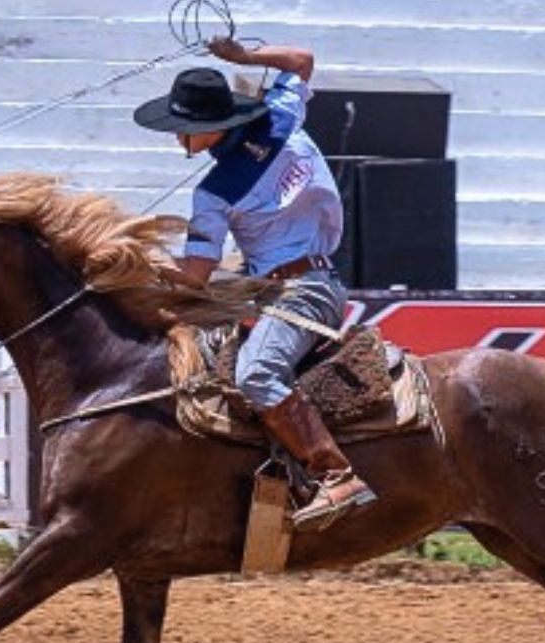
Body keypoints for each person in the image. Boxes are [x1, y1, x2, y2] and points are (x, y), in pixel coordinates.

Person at [132, 37, 377, 530]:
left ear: (210, 128)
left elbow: (195, 277)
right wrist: (242, 57)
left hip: (296, 292)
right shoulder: (281, 117)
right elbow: (302, 60)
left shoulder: (213, 195)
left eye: (183, 129)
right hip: (314, 280)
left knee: (256, 374)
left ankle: (336, 474)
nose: (177, 138)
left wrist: (137, 262)